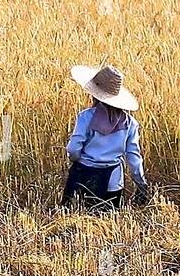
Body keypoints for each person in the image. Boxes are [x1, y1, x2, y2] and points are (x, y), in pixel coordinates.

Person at [62, 65, 149, 210]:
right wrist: (140, 183)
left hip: (82, 177)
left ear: (95, 94)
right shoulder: (130, 124)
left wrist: (75, 159)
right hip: (113, 182)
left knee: (75, 221)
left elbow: (73, 148)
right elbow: (134, 158)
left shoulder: (86, 117)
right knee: (107, 223)